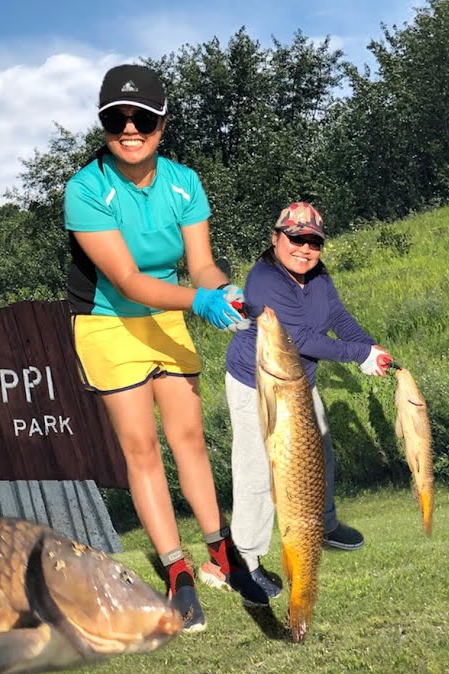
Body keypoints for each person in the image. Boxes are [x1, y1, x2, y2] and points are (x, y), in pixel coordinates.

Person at [64, 64, 268, 632]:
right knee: (143, 449)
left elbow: (200, 264)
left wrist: (221, 288)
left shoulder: (184, 182)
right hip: (107, 323)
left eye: (143, 118)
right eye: (116, 119)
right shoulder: (85, 190)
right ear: (104, 123)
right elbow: (127, 281)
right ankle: (178, 573)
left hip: (167, 315)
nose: (130, 129)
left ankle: (223, 556)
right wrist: (198, 301)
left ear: (163, 123)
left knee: (190, 440)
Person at [223, 201, 386, 598]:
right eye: (296, 238)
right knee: (258, 469)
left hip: (299, 382)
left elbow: (338, 318)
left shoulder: (318, 277)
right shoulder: (264, 280)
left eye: (313, 241)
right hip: (256, 385)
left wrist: (370, 346)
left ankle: (324, 525)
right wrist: (358, 356)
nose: (305, 248)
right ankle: (246, 559)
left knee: (320, 454)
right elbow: (301, 341)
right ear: (277, 238)